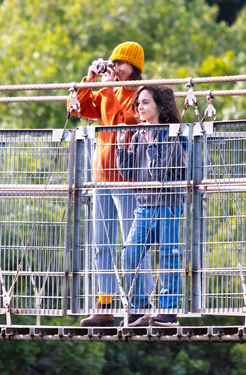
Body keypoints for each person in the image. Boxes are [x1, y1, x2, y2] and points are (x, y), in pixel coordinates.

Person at [71, 41, 154, 326]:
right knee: (101, 244)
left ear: (134, 68)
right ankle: (104, 305)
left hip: (126, 177)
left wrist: (105, 87)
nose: (116, 68)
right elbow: (77, 109)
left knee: (133, 245)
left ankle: (141, 305)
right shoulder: (109, 89)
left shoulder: (139, 95)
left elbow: (126, 120)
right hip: (101, 177)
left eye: (121, 64)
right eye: (113, 63)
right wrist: (90, 79)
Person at [115, 85, 186, 327]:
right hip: (144, 205)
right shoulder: (138, 135)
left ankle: (168, 311)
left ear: (160, 107)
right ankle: (139, 306)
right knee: (130, 253)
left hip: (167, 204)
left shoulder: (172, 135)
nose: (139, 108)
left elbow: (160, 173)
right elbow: (128, 172)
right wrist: (122, 147)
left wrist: (151, 141)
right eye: (138, 103)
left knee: (168, 255)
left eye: (145, 102)